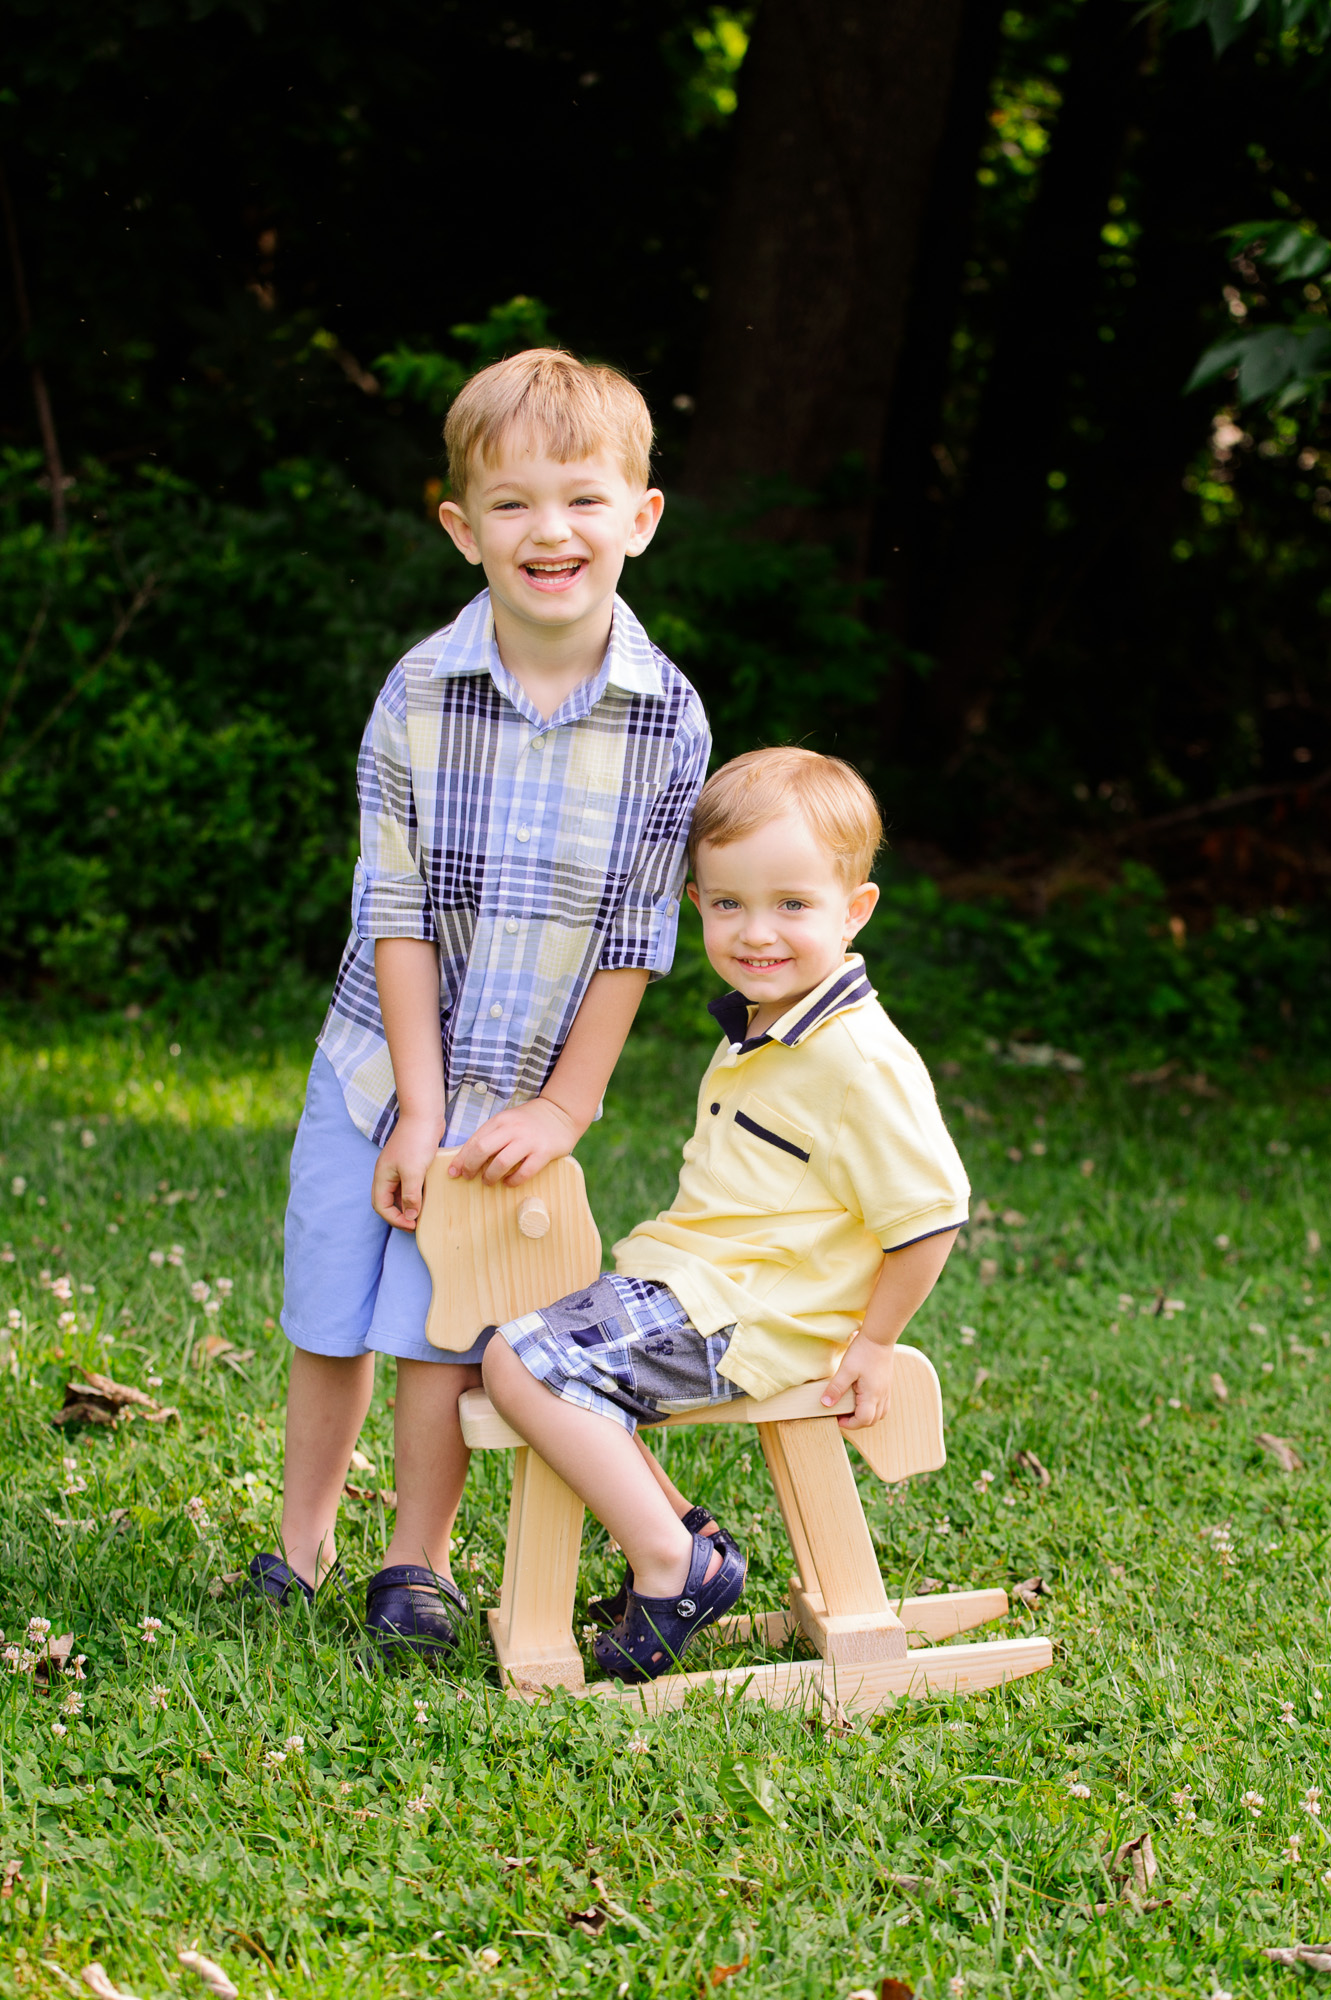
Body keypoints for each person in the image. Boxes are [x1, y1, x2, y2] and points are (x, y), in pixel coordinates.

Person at [251, 348, 710, 1664]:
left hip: (518, 1093)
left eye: (580, 499)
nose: (547, 531)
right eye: (509, 504)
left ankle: (418, 1560)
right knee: (334, 1313)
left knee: (444, 1331)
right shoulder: (416, 694)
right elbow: (390, 908)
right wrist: (416, 1103)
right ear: (461, 529)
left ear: (639, 518)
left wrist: (566, 1106)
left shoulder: (665, 722)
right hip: (373, 1072)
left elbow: (635, 934)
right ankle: (301, 1540)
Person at [483, 747, 971, 1682]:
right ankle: (689, 1539)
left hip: (751, 1315)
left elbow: (929, 1215)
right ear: (695, 903)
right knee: (531, 1340)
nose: (757, 932)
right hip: (704, 1285)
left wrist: (871, 1344)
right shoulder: (765, 1021)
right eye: (727, 904)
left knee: (520, 1359)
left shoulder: (855, 1059)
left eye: (793, 904)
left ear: (853, 908)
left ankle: (670, 1565)